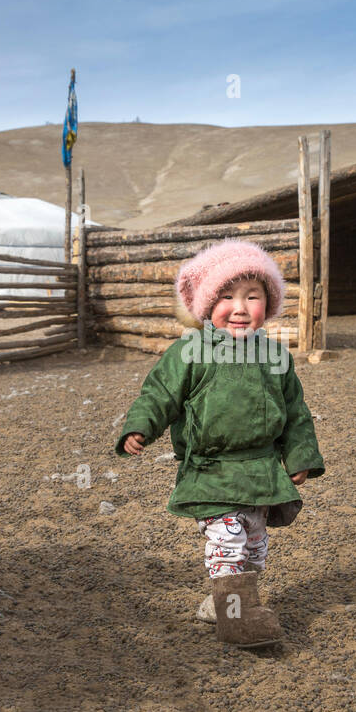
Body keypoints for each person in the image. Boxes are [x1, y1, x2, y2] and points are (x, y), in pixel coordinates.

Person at [114, 239, 325, 648]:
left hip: (261, 470)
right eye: (227, 296)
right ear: (208, 305)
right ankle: (238, 621)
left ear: (269, 303)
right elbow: (159, 395)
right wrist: (140, 427)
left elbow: (295, 411)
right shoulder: (190, 353)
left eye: (253, 296)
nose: (241, 307)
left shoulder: (274, 356)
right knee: (227, 540)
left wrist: (299, 455)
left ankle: (223, 603)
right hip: (212, 470)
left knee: (254, 545)